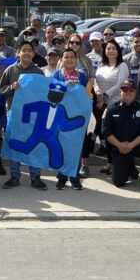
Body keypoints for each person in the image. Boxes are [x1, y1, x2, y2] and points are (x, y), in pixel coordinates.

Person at [0, 42, 47, 189]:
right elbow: (0, 90)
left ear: (33, 53)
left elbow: (44, 93)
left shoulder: (38, 72)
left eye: (29, 51)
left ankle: (35, 177)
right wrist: (12, 87)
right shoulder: (11, 70)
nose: (26, 53)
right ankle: (14, 176)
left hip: (33, 115)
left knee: (34, 144)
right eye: (23, 50)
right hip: (14, 113)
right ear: (18, 52)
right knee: (14, 145)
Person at [101, 79, 140, 194]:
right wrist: (119, 145)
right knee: (119, 182)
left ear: (135, 92)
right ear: (120, 92)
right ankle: (130, 167)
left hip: (136, 146)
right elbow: (105, 131)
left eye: (131, 90)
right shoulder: (111, 109)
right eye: (125, 89)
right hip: (119, 147)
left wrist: (131, 145)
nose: (128, 92)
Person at [51, 47, 95, 186]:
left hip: (78, 117)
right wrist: (64, 87)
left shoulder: (82, 77)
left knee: (77, 146)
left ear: (76, 60)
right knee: (62, 145)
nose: (69, 59)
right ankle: (62, 176)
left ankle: (75, 176)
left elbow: (89, 97)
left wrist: (79, 89)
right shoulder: (57, 76)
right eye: (66, 57)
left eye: (72, 57)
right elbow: (51, 95)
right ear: (61, 60)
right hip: (61, 116)